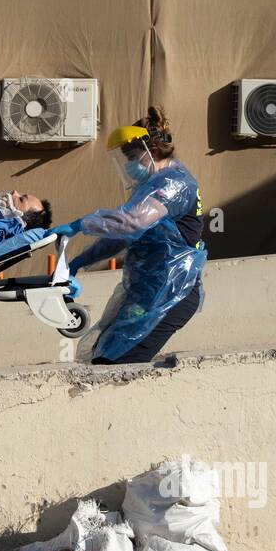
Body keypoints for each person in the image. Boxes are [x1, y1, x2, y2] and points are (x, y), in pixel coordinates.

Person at [53, 107, 206, 364]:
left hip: (173, 292)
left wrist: (81, 224)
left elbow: (133, 223)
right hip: (147, 292)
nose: (129, 165)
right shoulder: (150, 186)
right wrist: (79, 262)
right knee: (103, 355)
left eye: (134, 157)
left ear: (153, 150)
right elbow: (123, 237)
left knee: (120, 363)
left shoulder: (175, 184)